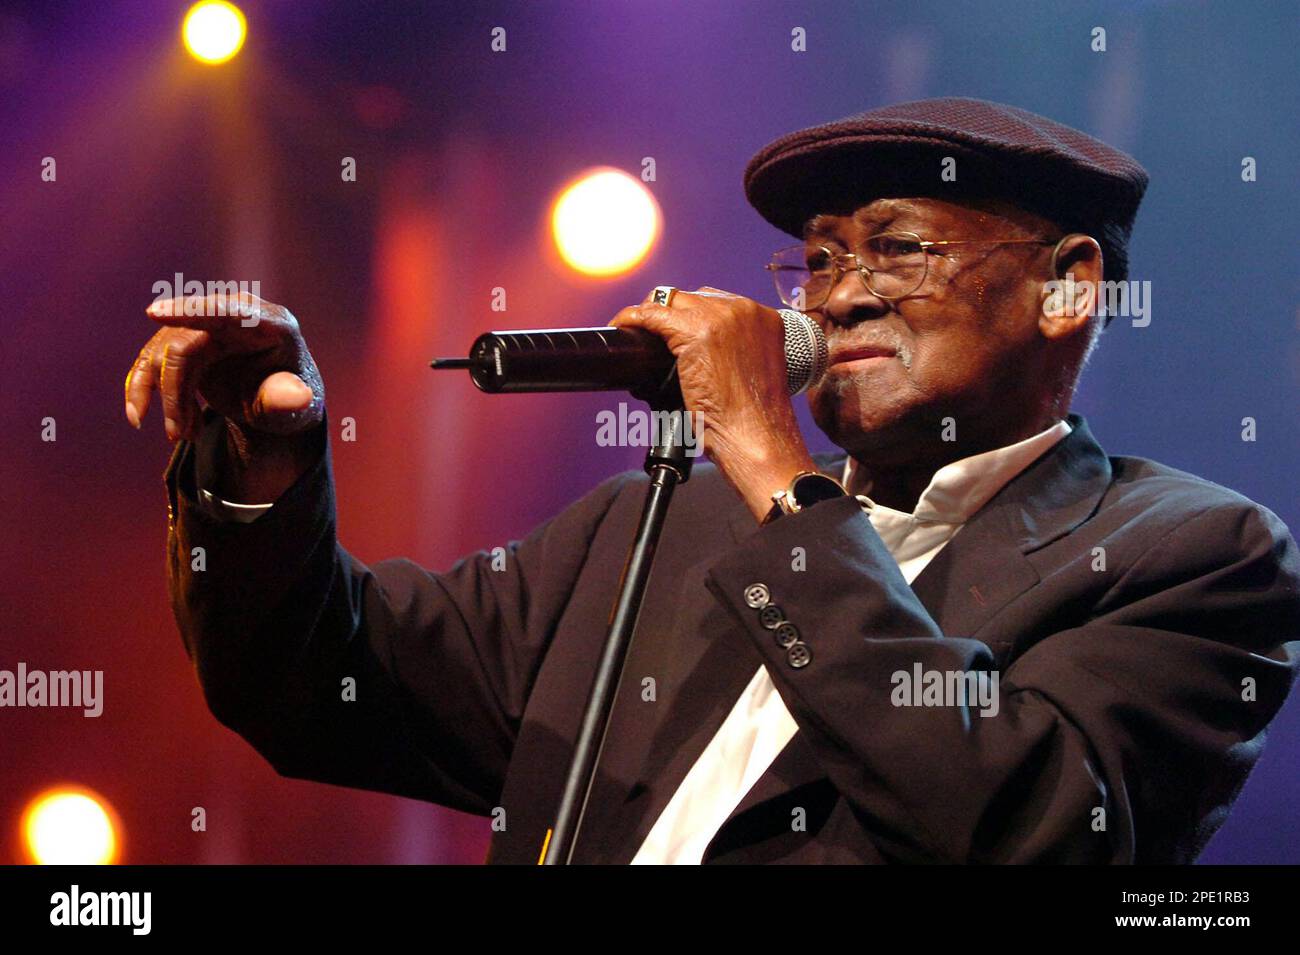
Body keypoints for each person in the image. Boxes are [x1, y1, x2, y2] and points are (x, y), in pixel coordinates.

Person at [124, 97, 1300, 864]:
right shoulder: (666, 521)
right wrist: (264, 465)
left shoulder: (1193, 552)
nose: (835, 295)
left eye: (895, 247)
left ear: (1067, 285)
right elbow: (320, 681)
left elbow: (1023, 830)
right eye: (820, 258)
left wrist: (777, 475)